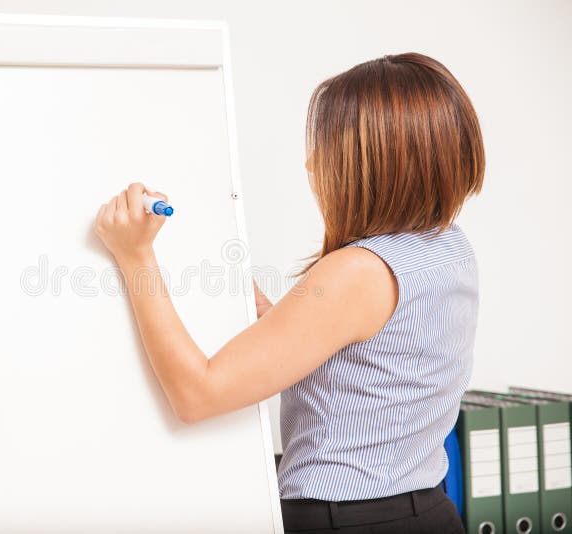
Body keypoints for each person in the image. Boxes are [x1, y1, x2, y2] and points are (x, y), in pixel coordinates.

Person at [94, 52, 483, 533]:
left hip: (346, 521)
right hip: (428, 513)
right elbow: (364, 366)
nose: (311, 163)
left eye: (327, 148)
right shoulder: (448, 248)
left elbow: (196, 395)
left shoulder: (356, 273)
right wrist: (254, 305)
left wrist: (135, 258)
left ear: (374, 165)